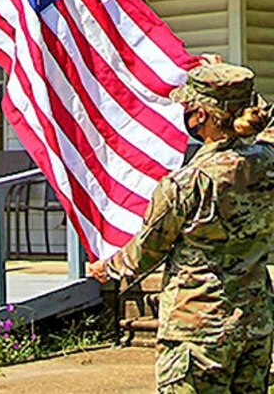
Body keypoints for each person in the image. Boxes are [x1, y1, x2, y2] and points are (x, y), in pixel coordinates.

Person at [90, 63, 274, 393]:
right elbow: (267, 120)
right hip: (255, 322)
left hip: (197, 331)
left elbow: (147, 251)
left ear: (201, 115)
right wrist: (235, 89)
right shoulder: (267, 161)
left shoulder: (186, 184)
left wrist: (109, 268)